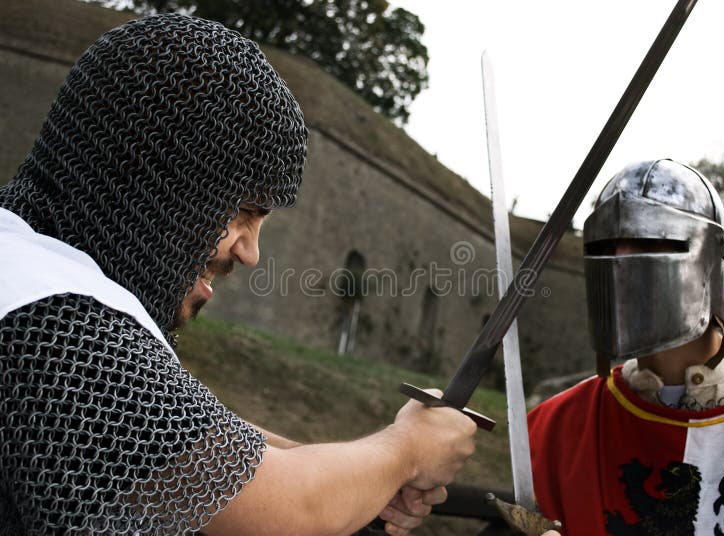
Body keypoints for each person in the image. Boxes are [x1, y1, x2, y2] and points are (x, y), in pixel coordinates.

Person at [0, 14, 477, 535]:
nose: (249, 252)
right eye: (243, 212)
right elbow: (292, 511)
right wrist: (407, 449)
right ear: (155, 177)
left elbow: (189, 433)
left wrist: (361, 473)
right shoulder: (52, 315)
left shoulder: (24, 277)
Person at [527, 159, 724, 535]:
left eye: (650, 243)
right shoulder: (555, 428)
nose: (621, 263)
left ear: (710, 258)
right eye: (605, 248)